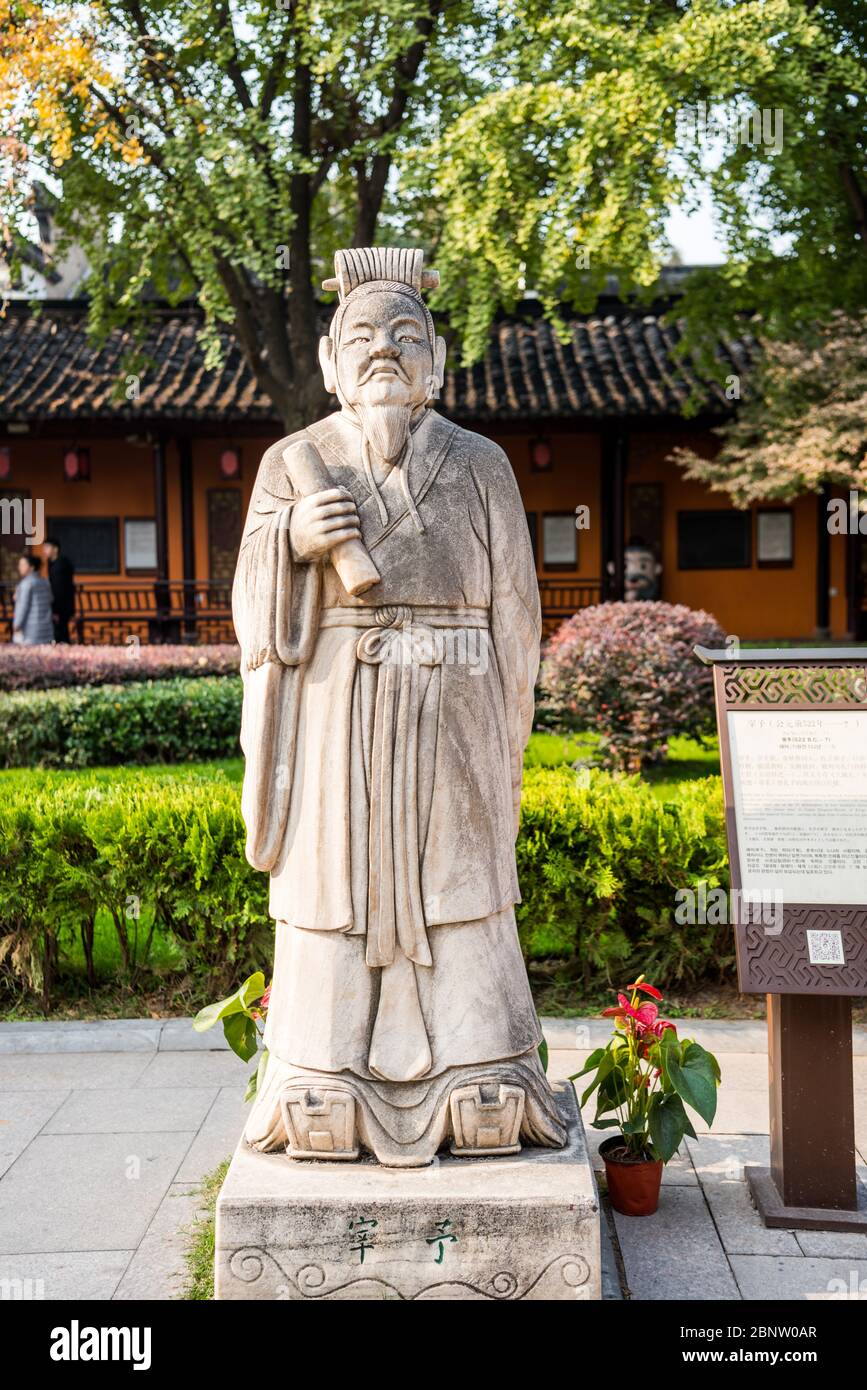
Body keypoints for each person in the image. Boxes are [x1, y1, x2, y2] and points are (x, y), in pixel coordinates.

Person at [233, 247, 566, 1166]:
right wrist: (293, 543)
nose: (385, 352)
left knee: (459, 876)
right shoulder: (293, 463)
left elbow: (519, 616)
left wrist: (506, 739)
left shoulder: (482, 463)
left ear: (437, 362)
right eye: (364, 338)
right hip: (337, 703)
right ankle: (321, 1070)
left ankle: (481, 1065)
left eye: (405, 337)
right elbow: (249, 613)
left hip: (454, 702)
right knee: (331, 884)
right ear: (334, 364)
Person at [12, 553, 54, 645]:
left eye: (23, 565)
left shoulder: (26, 584)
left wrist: (17, 624)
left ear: (32, 567)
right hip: (46, 628)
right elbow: (50, 600)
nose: (20, 567)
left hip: (31, 630)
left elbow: (23, 606)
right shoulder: (45, 582)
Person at [42, 536, 75, 643]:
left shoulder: (59, 566)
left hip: (61, 607)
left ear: (55, 549)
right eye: (44, 547)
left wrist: (55, 610)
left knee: (60, 635)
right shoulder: (56, 564)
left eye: (47, 547)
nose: (44, 550)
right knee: (62, 633)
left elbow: (58, 590)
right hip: (64, 605)